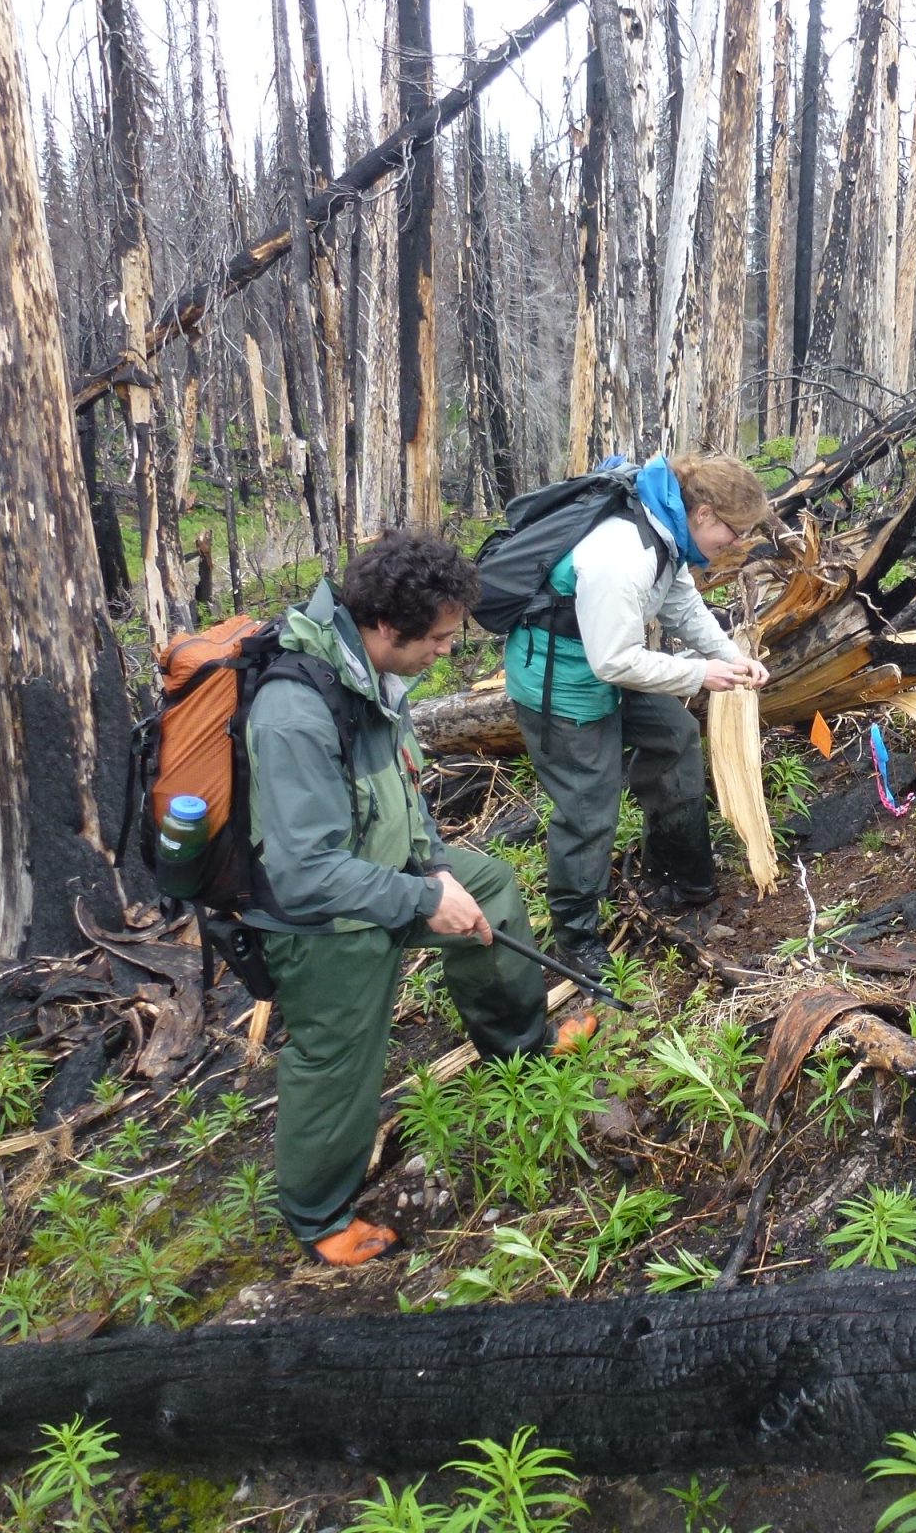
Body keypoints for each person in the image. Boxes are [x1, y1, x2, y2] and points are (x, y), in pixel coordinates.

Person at [244, 531, 587, 1268]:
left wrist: (433, 868)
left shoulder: (370, 673)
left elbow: (400, 789)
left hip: (385, 869)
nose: (445, 654)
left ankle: (520, 1049)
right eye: (435, 638)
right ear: (384, 627)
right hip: (317, 917)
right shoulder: (295, 712)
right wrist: (418, 899)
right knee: (339, 1055)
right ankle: (318, 1217)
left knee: (488, 886)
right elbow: (305, 873)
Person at [504, 451, 772, 979]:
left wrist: (728, 657)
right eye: (735, 532)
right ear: (704, 514)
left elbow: (682, 608)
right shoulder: (622, 553)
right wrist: (700, 675)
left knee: (673, 734)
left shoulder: (665, 533)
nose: (737, 544)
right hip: (560, 686)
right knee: (588, 807)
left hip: (604, 665)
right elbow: (613, 660)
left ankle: (676, 875)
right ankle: (577, 937)